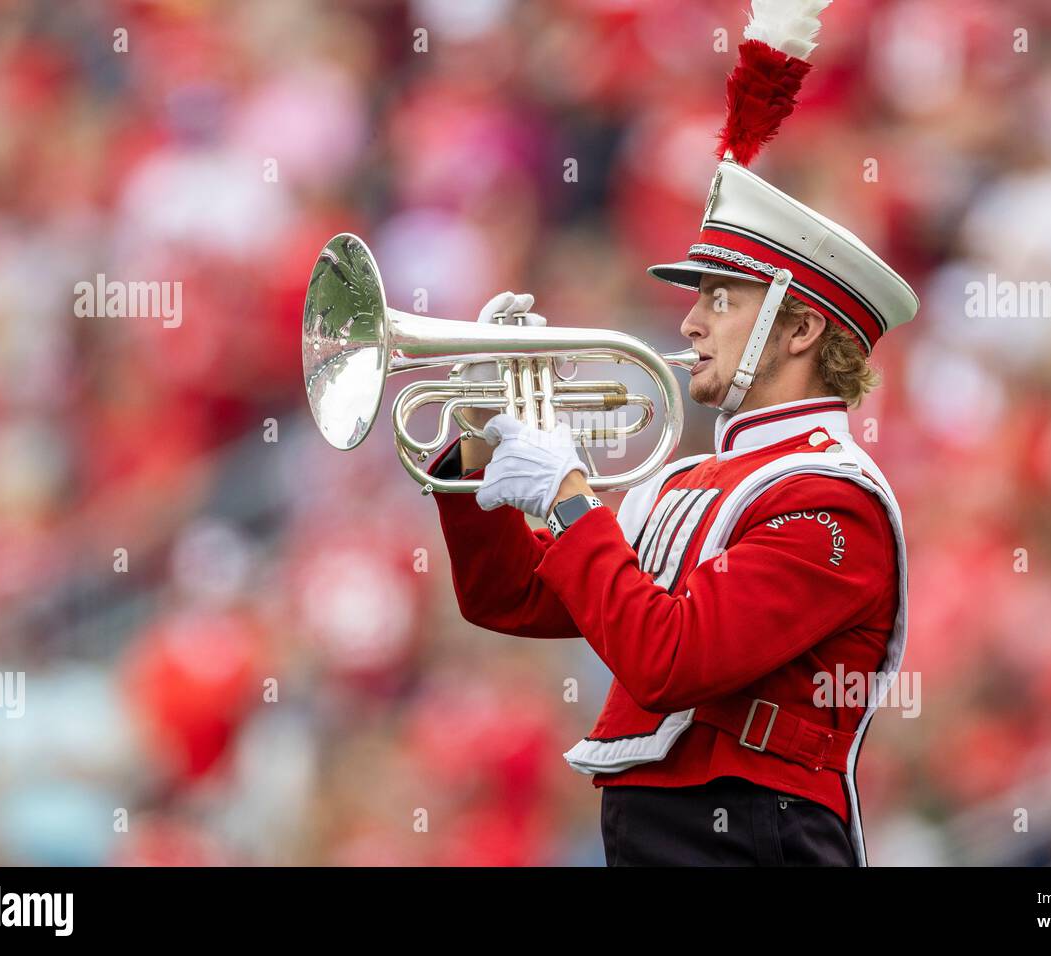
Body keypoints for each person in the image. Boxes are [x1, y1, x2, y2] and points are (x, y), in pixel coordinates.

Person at [427, 0, 918, 865]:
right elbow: (512, 598)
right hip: (653, 832)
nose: (689, 324)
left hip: (757, 835)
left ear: (800, 330)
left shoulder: (835, 500)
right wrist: (471, 442)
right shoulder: (688, 481)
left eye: (716, 300)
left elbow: (672, 659)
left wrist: (572, 499)